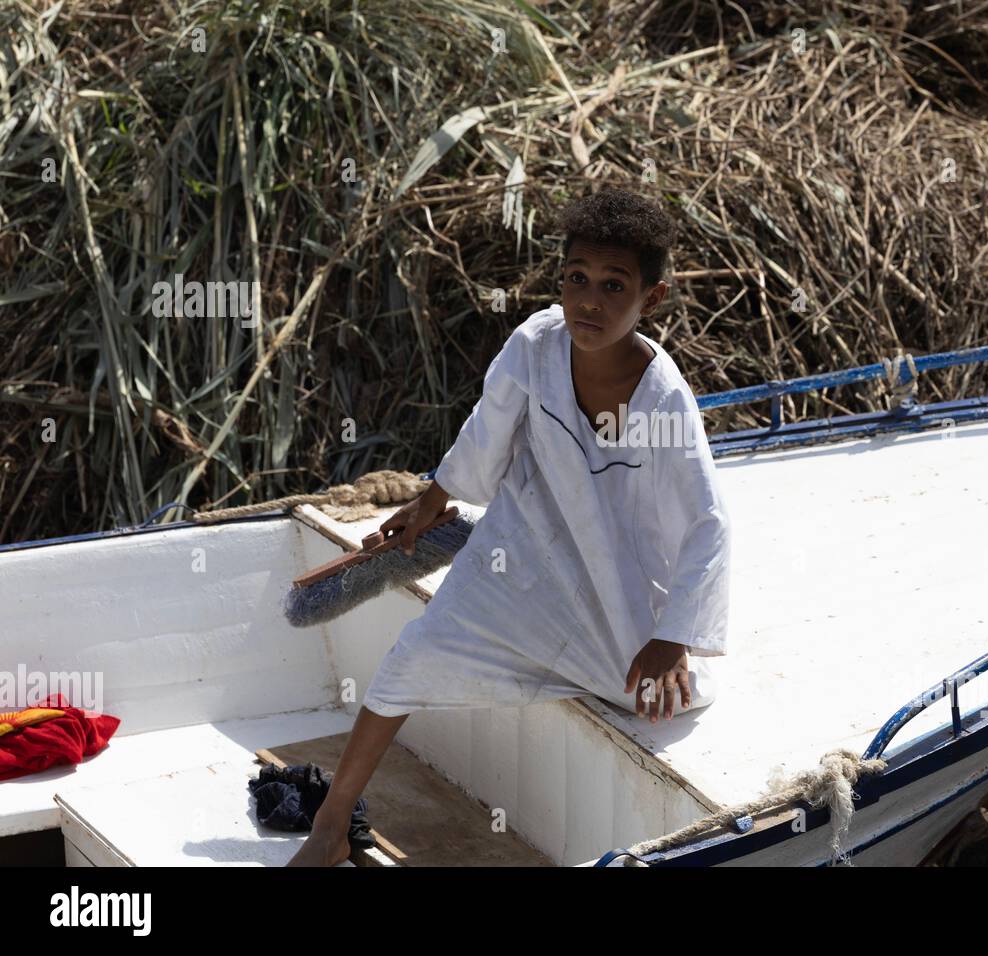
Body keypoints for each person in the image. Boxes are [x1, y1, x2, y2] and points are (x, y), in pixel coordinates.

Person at [287, 186, 731, 866]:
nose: (589, 301)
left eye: (614, 286)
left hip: (613, 580)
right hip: (519, 551)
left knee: (652, 697)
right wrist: (434, 501)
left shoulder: (664, 397)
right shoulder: (534, 345)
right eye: (576, 279)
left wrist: (674, 638)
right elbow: (487, 431)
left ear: (653, 299)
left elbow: (708, 521)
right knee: (412, 657)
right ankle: (331, 826)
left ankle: (624, 647)